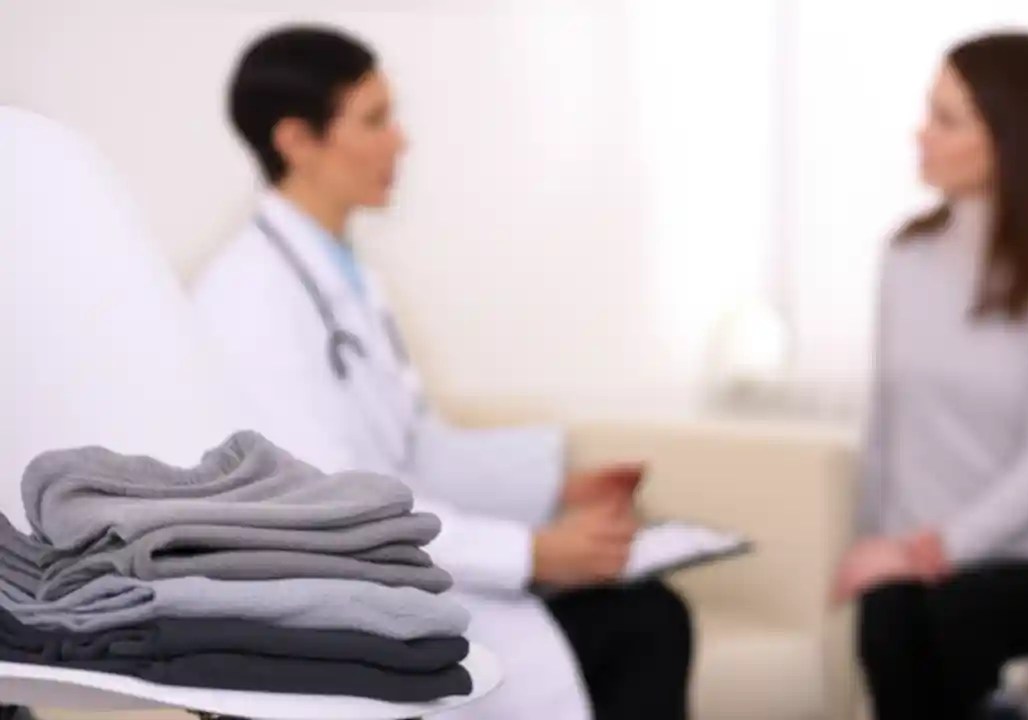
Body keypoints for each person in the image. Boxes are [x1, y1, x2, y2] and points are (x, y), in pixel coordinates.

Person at [193, 26, 691, 720]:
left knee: (644, 610)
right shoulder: (247, 297)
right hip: (342, 612)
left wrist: (556, 485)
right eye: (374, 119)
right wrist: (533, 553)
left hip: (406, 577)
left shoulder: (349, 280)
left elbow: (413, 444)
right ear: (297, 140)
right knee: (643, 624)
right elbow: (332, 511)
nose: (401, 141)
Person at [831, 32, 1028, 719]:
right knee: (887, 621)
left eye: (946, 119)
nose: (921, 134)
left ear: (1009, 140)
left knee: (955, 616)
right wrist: (869, 545)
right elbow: (888, 427)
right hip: (917, 554)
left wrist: (935, 549)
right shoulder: (906, 258)